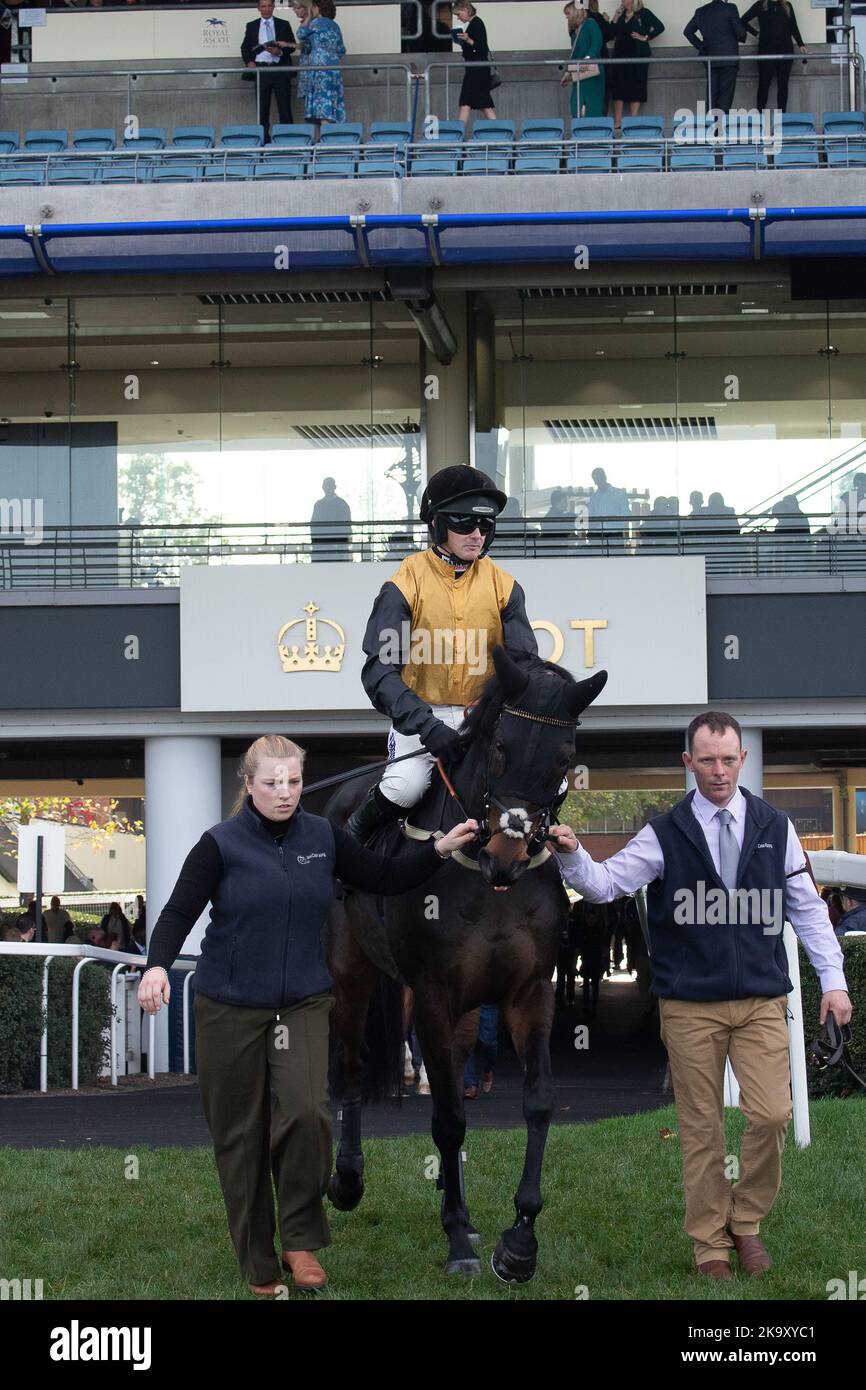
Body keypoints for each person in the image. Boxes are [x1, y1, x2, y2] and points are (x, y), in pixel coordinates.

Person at [138, 735, 477, 1297]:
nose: (284, 792)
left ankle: (300, 1237)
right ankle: (259, 1263)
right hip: (229, 1007)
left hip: (301, 1003)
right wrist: (156, 967)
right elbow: (177, 912)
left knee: (307, 1114)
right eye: (272, 782)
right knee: (239, 1136)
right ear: (248, 784)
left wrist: (439, 849)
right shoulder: (219, 845)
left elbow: (384, 877)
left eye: (293, 781)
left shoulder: (323, 838)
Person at [548, 710, 851, 1280]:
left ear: (744, 759)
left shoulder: (774, 827)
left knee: (771, 1114)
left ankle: (746, 1220)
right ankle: (709, 1242)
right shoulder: (664, 832)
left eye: (728, 759)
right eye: (706, 760)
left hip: (761, 1000)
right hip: (689, 1006)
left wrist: (833, 982)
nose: (718, 771)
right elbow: (606, 883)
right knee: (702, 1127)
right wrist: (571, 852)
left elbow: (809, 912)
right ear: (688, 763)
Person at [347, 464, 538, 842]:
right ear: (437, 525)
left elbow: (523, 666)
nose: (477, 535)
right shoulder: (403, 585)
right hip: (420, 720)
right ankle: (353, 840)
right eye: (465, 524)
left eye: (485, 526)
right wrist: (427, 724)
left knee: (547, 786)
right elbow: (379, 673)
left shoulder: (507, 587)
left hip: (483, 719)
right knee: (406, 786)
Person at [241, 0, 296, 143]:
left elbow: (292, 46)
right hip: (261, 70)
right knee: (262, 108)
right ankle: (263, 140)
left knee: (285, 107)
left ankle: (286, 139)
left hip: (279, 70)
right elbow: (245, 47)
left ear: (273, 7)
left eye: (269, 6)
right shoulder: (251, 25)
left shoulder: (283, 24)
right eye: (263, 6)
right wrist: (249, 62)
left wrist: (280, 52)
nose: (266, 9)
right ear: (258, 8)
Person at [742, 0, 805, 113]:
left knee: (783, 85)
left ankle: (781, 118)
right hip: (766, 51)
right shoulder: (761, 5)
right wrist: (756, 34)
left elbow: (793, 27)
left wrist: (801, 44)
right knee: (763, 85)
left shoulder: (787, 6)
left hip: (785, 50)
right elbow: (743, 20)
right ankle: (760, 119)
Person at [684, 0, 747, 115]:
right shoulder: (730, 8)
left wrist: (702, 47)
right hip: (728, 58)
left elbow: (688, 32)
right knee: (725, 97)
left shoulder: (701, 11)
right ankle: (720, 129)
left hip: (710, 58)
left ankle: (712, 128)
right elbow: (741, 33)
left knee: (712, 95)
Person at [609, 0, 665, 128]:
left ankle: (632, 121)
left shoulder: (644, 13)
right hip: (620, 55)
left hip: (637, 55)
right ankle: (617, 121)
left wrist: (645, 37)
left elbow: (660, 26)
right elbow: (612, 33)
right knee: (618, 87)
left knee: (636, 86)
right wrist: (616, 16)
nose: (623, 1)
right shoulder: (621, 14)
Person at [297, 0, 346, 140]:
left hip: (319, 71)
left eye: (312, 8)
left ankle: (321, 145)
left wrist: (308, 17)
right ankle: (327, 144)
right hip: (334, 71)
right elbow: (341, 50)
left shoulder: (315, 24)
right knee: (329, 109)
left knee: (320, 111)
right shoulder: (335, 26)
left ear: (317, 8)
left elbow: (300, 33)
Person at [451, 2, 496, 124]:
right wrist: (464, 41)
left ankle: (458, 134)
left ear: (466, 10)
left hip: (476, 70)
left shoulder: (477, 24)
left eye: (459, 14)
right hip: (477, 70)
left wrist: (468, 40)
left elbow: (481, 48)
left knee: (466, 102)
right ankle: (500, 131)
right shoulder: (475, 23)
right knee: (483, 104)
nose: (458, 17)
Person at [561, 3, 604, 121]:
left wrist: (587, 59)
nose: (566, 17)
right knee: (576, 103)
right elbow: (574, 55)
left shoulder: (590, 24)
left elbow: (596, 43)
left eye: (568, 13)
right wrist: (567, 72)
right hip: (580, 71)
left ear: (576, 12)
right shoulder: (575, 32)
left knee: (591, 104)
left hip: (592, 71)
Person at [310, 476, 352, 561]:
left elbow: (347, 526)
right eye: (326, 486)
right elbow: (313, 525)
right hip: (323, 546)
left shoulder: (341, 504)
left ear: (334, 487)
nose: (327, 488)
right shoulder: (341, 504)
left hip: (336, 546)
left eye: (329, 486)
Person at [463, 1003, 498, 1097]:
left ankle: (488, 1068)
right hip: (468, 997)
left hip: (488, 999)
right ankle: (470, 1084)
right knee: (466, 1039)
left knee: (488, 1041)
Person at [292, 2, 313, 110]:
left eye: (298, 8)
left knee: (313, 106)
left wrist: (289, 44)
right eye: (294, 8)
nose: (295, 11)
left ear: (306, 8)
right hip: (306, 64)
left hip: (312, 65)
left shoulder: (312, 23)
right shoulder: (307, 22)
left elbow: (309, 46)